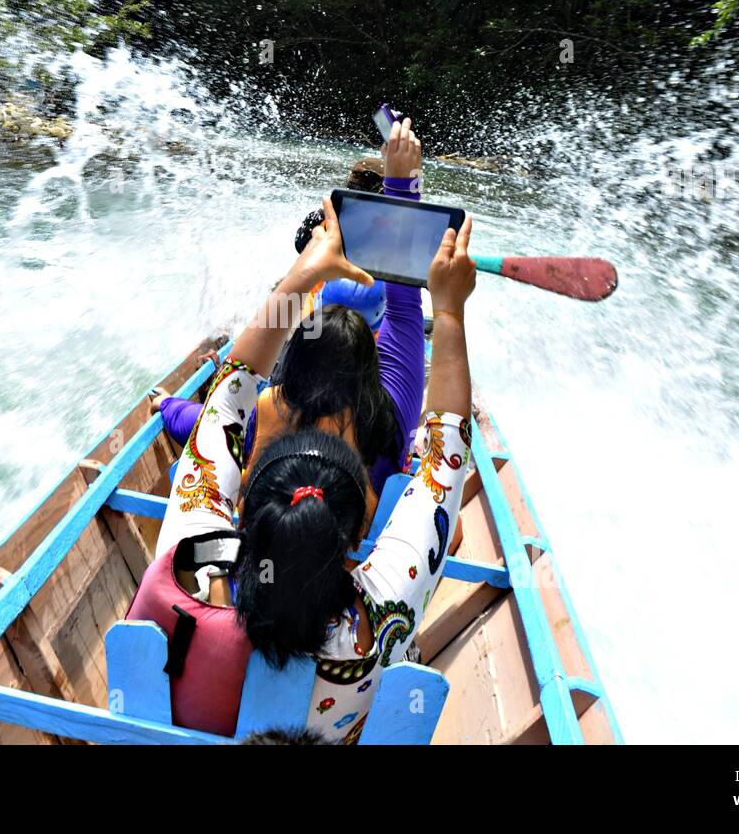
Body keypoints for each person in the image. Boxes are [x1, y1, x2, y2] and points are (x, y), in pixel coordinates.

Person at [125, 193, 477, 743]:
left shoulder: (179, 565)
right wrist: (450, 313)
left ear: (246, 513)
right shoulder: (379, 626)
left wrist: (301, 276)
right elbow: (446, 456)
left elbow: (230, 393)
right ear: (359, 530)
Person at [151, 118, 429, 513]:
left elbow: (206, 419)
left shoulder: (267, 414)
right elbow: (404, 312)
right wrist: (406, 191)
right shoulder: (390, 419)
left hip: (321, 309)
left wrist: (165, 405)